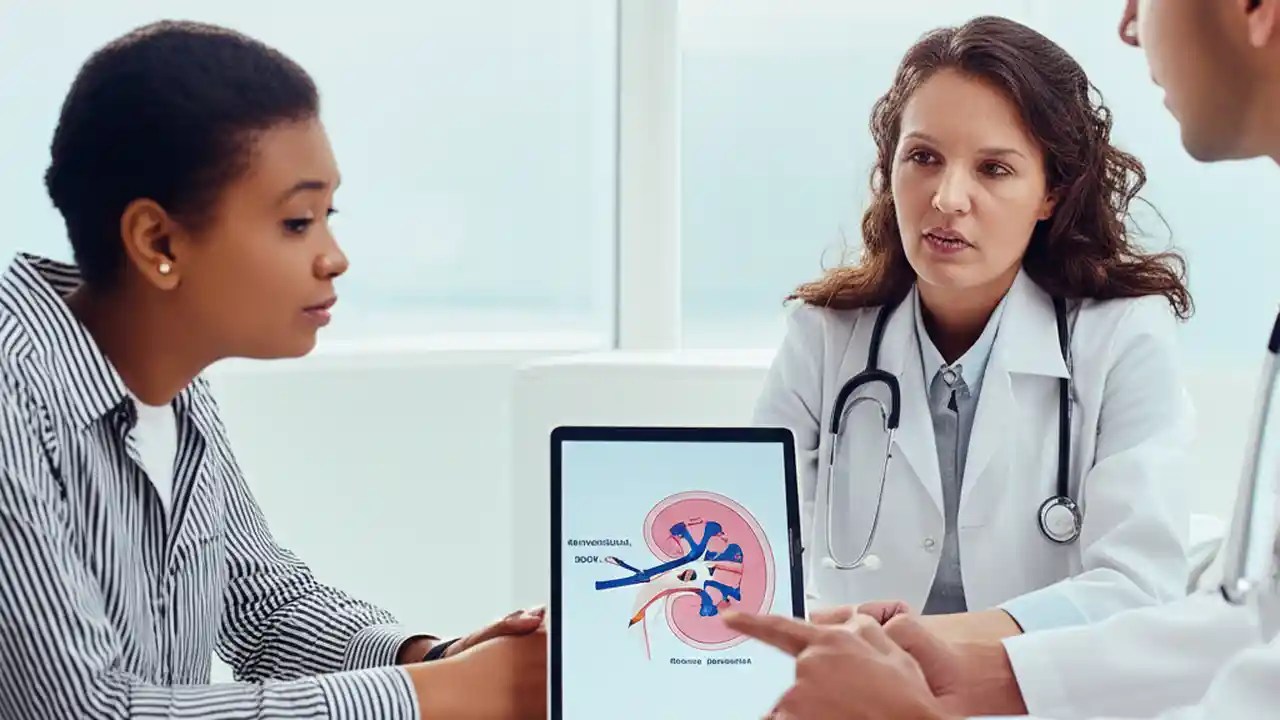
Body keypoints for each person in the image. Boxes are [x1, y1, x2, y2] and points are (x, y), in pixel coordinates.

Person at [727, 0, 1280, 718]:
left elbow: (1141, 591)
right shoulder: (824, 336)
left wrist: (907, 652)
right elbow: (745, 553)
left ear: (1050, 192)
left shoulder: (1118, 337)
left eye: (993, 169)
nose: (948, 198)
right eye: (922, 157)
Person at [0, 21, 545, 720]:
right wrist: (439, 697)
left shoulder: (172, 383)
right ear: (158, 240)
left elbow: (265, 606)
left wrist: (440, 658)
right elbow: (88, 711)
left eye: (329, 213)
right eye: (297, 222)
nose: (334, 256)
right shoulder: (15, 401)